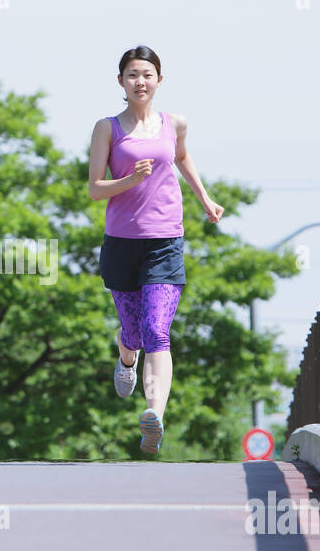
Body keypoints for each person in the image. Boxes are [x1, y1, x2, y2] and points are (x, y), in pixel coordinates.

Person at [87, 46, 224, 454]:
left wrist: (205, 199)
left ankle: (154, 413)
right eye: (132, 75)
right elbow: (95, 189)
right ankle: (126, 358)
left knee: (157, 330)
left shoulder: (174, 123)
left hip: (165, 242)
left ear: (159, 80)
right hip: (122, 243)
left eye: (147, 74)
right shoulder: (107, 129)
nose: (140, 82)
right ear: (121, 82)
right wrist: (128, 181)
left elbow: (182, 158)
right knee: (133, 333)